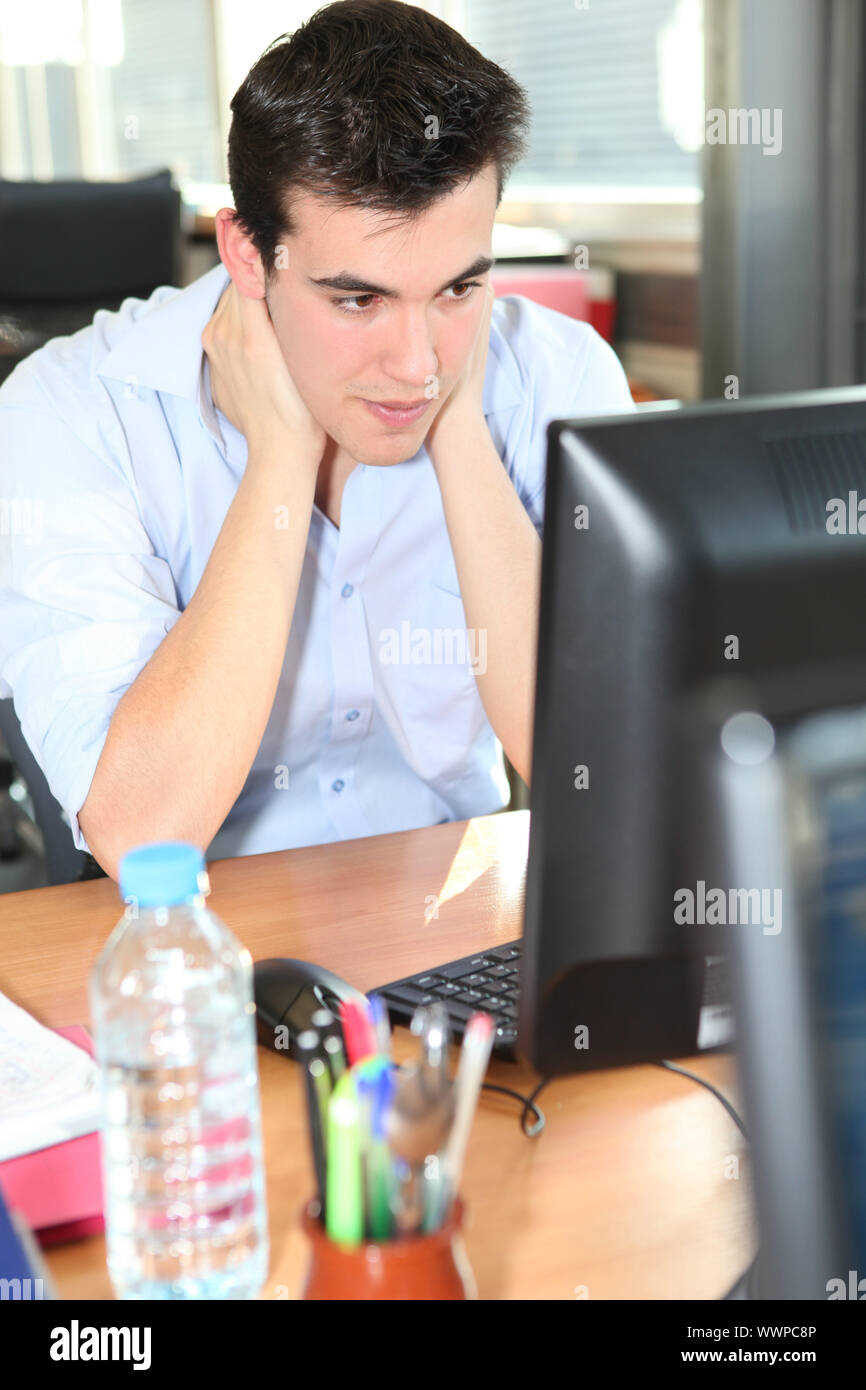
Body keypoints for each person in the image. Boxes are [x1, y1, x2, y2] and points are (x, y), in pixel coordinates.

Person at [0, 0, 634, 883]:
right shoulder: (70, 411)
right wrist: (281, 458)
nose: (415, 362)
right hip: (195, 930)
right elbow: (145, 834)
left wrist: (456, 424)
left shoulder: (555, 376)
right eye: (358, 300)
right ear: (248, 256)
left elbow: (602, 771)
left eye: (458, 288)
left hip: (448, 910)